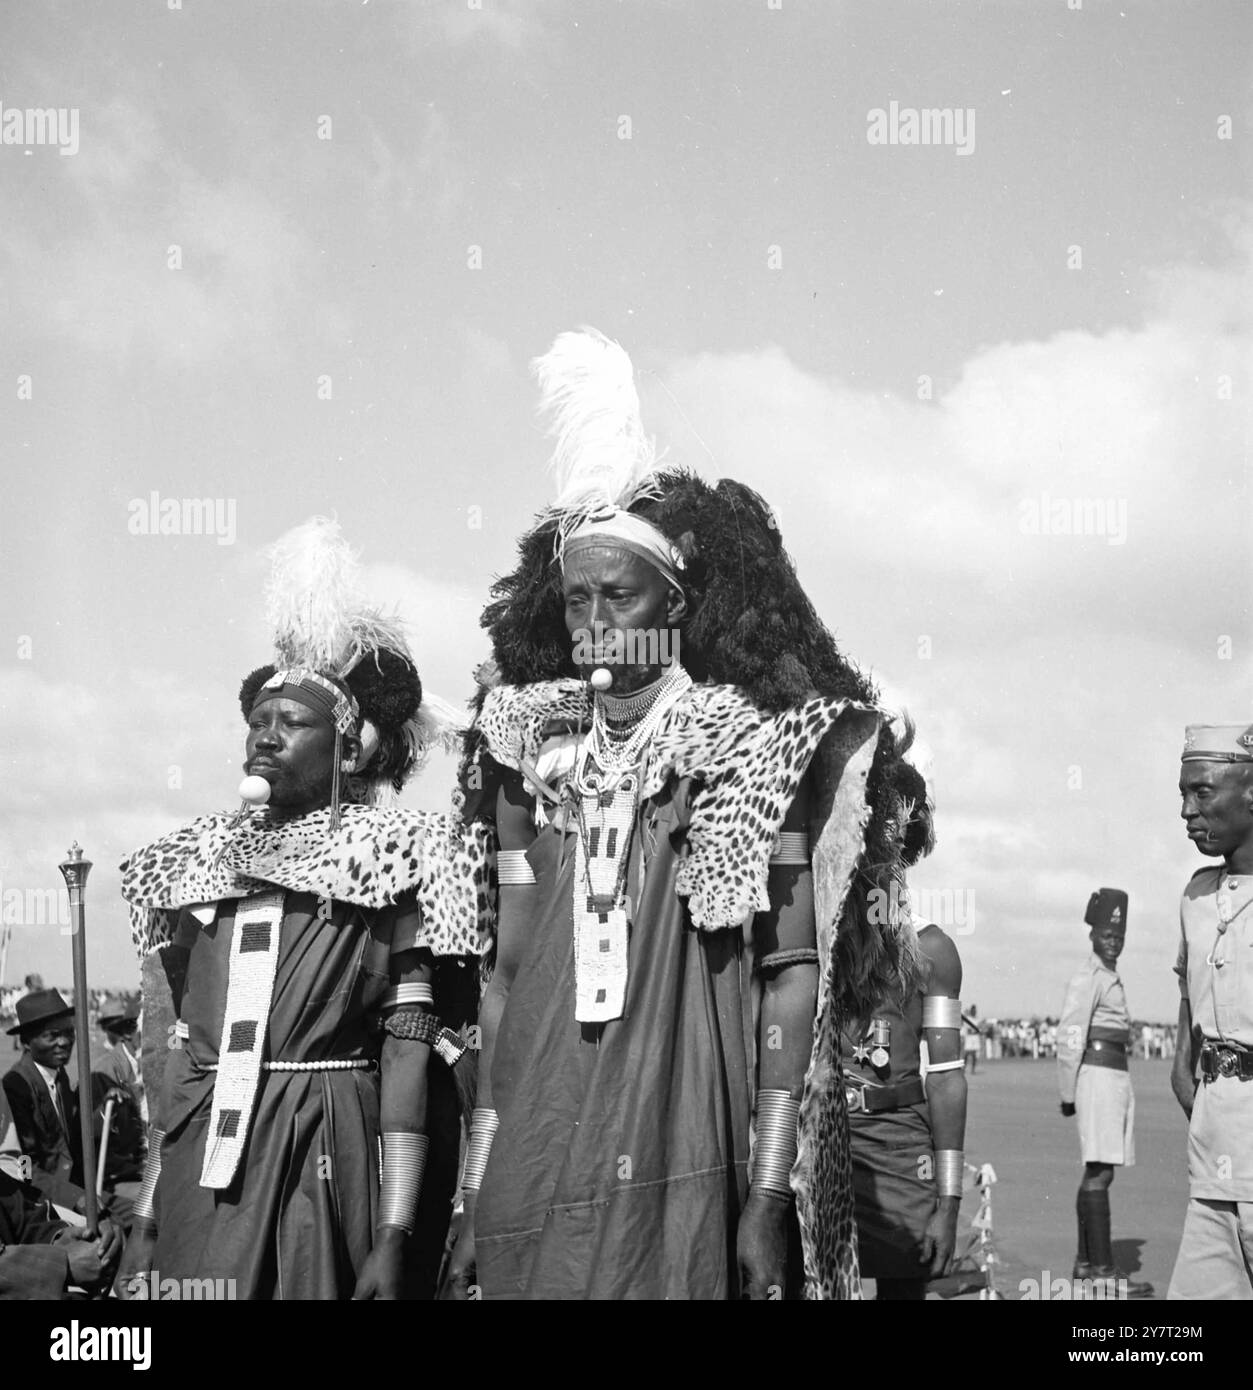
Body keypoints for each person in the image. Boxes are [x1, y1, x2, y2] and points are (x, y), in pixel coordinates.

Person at [443, 329, 928, 1300]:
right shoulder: (526, 754)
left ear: (674, 599)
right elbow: (502, 980)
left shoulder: (747, 747)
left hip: (683, 1138)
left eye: (616, 596)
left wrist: (766, 1193)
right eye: (575, 598)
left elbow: (786, 977)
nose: (590, 622)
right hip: (540, 1136)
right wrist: (476, 1184)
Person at [113, 519, 487, 1300]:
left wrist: (392, 1236)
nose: (265, 739)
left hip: (324, 1149)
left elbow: (408, 1054)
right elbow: (181, 1058)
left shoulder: (398, 857)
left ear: (347, 752)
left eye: (292, 725)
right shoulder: (195, 864)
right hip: (202, 1170)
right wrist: (149, 1211)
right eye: (257, 723)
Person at [1168, 722, 1253, 1299]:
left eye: (1202, 793)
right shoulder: (1196, 896)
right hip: (1213, 1154)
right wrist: (1183, 1062)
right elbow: (1187, 994)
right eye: (1183, 794)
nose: (1187, 811)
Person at [843, 911, 968, 1300]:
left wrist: (948, 1206)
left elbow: (946, 1078)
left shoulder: (931, 949)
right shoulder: (810, 940)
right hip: (820, 1144)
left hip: (900, 1153)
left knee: (905, 1288)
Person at [1056, 888, 1152, 1295]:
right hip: (1096, 1077)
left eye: (1119, 936)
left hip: (1111, 1074)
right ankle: (1103, 1271)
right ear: (1092, 934)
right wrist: (1068, 1091)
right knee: (1100, 1171)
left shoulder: (1109, 975)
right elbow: (1070, 1034)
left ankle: (1085, 1264)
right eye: (1107, 934)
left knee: (1096, 1170)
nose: (1114, 941)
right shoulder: (1089, 976)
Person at [3, 990, 90, 1213]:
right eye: (52, 1035)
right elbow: (23, 1166)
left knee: (143, 1212)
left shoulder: (59, 1075)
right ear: (25, 1042)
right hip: (43, 1200)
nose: (64, 1042)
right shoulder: (16, 1087)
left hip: (77, 1186)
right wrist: (75, 1197)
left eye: (69, 1032)